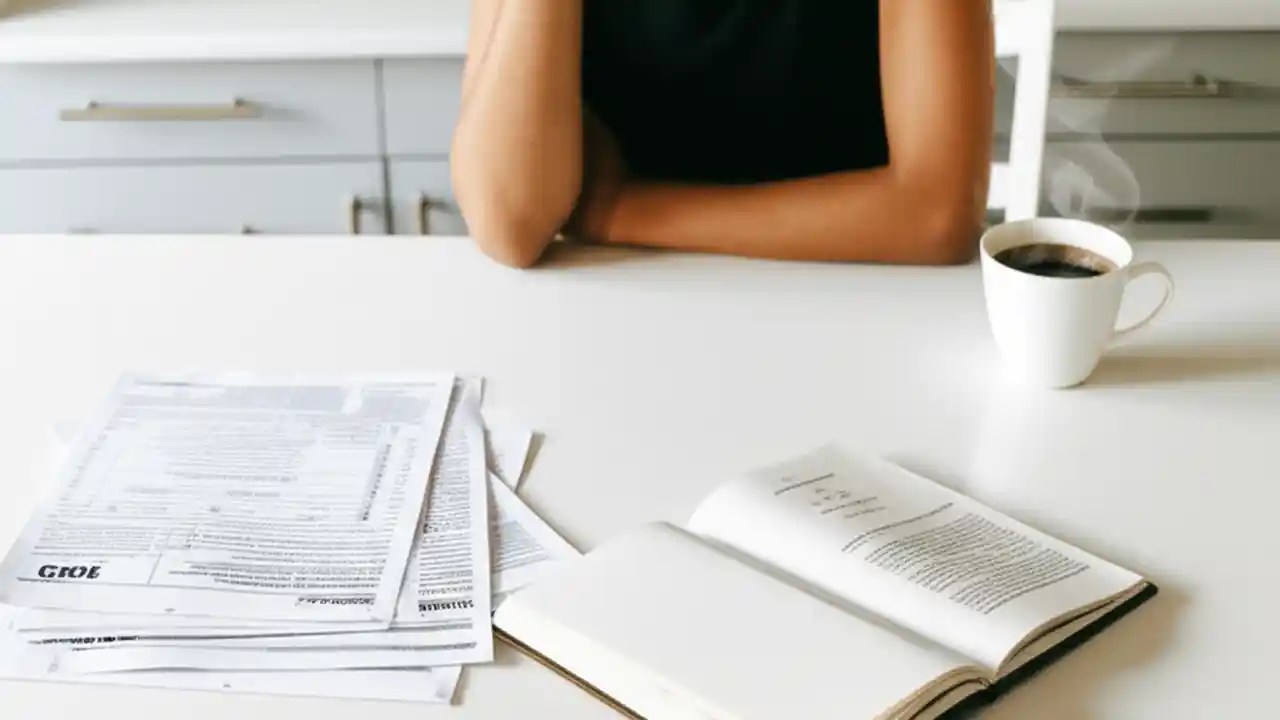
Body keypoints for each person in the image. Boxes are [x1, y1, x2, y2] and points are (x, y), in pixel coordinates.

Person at [451, 1, 994, 268]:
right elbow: (509, 222)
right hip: (619, 315)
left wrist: (621, 212)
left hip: (842, 308)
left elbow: (938, 213)